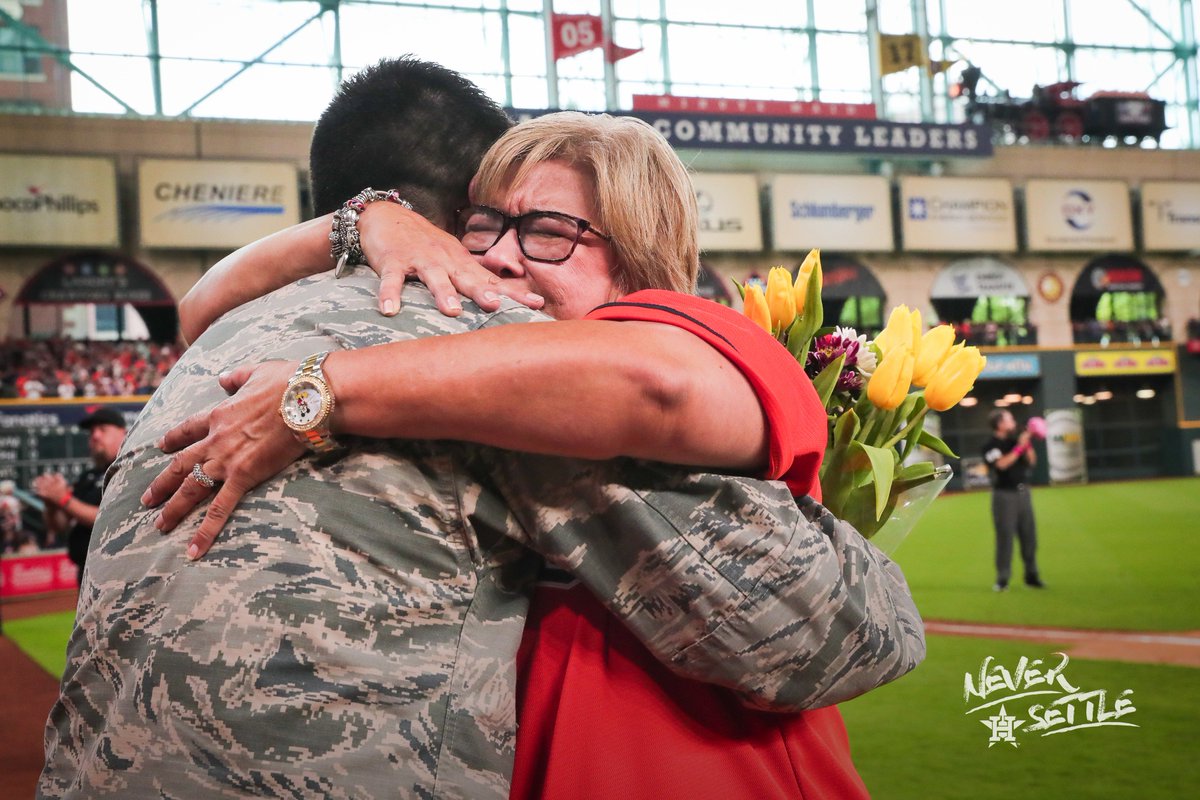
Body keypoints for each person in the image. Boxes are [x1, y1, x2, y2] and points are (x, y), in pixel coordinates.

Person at [40, 60, 920, 800]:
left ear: (645, 260)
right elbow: (842, 631)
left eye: (546, 232)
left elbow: (667, 397)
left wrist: (326, 372)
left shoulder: (242, 338)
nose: (497, 257)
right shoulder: (490, 365)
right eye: (483, 225)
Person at [31, 406, 126, 582]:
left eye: (103, 430)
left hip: (115, 573)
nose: (95, 436)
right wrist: (52, 503)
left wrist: (64, 499)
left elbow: (112, 518)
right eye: (92, 432)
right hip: (85, 572)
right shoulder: (87, 476)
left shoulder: (128, 469)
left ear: (124, 434)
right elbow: (60, 526)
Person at [982, 408, 1043, 591]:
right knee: (1005, 538)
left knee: (1029, 536)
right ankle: (1002, 579)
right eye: (1009, 419)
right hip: (1004, 496)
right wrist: (1019, 447)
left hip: (1024, 493)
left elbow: (1032, 461)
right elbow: (1001, 464)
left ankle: (1031, 576)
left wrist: (1027, 444)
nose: (1013, 423)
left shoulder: (1016, 440)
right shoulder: (990, 446)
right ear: (999, 424)